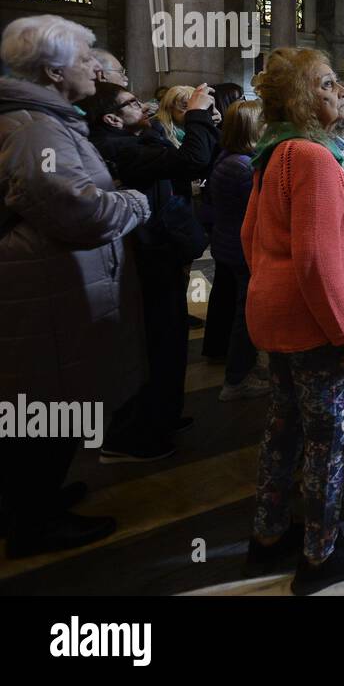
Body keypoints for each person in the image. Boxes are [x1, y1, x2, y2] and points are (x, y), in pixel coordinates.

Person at [0, 16, 150, 557]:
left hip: (48, 289)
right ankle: (33, 525)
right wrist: (136, 201)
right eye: (87, 57)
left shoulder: (43, 119)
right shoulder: (35, 128)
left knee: (47, 410)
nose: (95, 66)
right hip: (43, 294)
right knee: (46, 409)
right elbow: (77, 210)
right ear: (53, 68)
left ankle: (35, 502)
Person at [241, 48, 344, 596]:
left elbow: (251, 239)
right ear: (302, 99)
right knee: (327, 438)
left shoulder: (273, 151)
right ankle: (321, 554)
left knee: (283, 427)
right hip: (315, 320)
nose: (339, 91)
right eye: (326, 84)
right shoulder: (317, 158)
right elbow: (316, 259)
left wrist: (272, 296)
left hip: (277, 315)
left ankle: (268, 533)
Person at [86, 79, 219, 460]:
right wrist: (195, 114)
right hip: (147, 257)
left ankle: (160, 416)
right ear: (112, 118)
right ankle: (131, 436)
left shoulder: (135, 138)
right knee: (153, 346)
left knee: (169, 341)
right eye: (131, 103)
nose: (142, 106)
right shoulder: (116, 147)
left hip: (160, 252)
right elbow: (191, 161)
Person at [207, 99, 271, 402]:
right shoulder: (242, 166)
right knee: (245, 316)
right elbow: (258, 212)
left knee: (242, 312)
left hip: (228, 244)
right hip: (241, 249)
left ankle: (243, 369)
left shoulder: (230, 157)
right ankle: (237, 379)